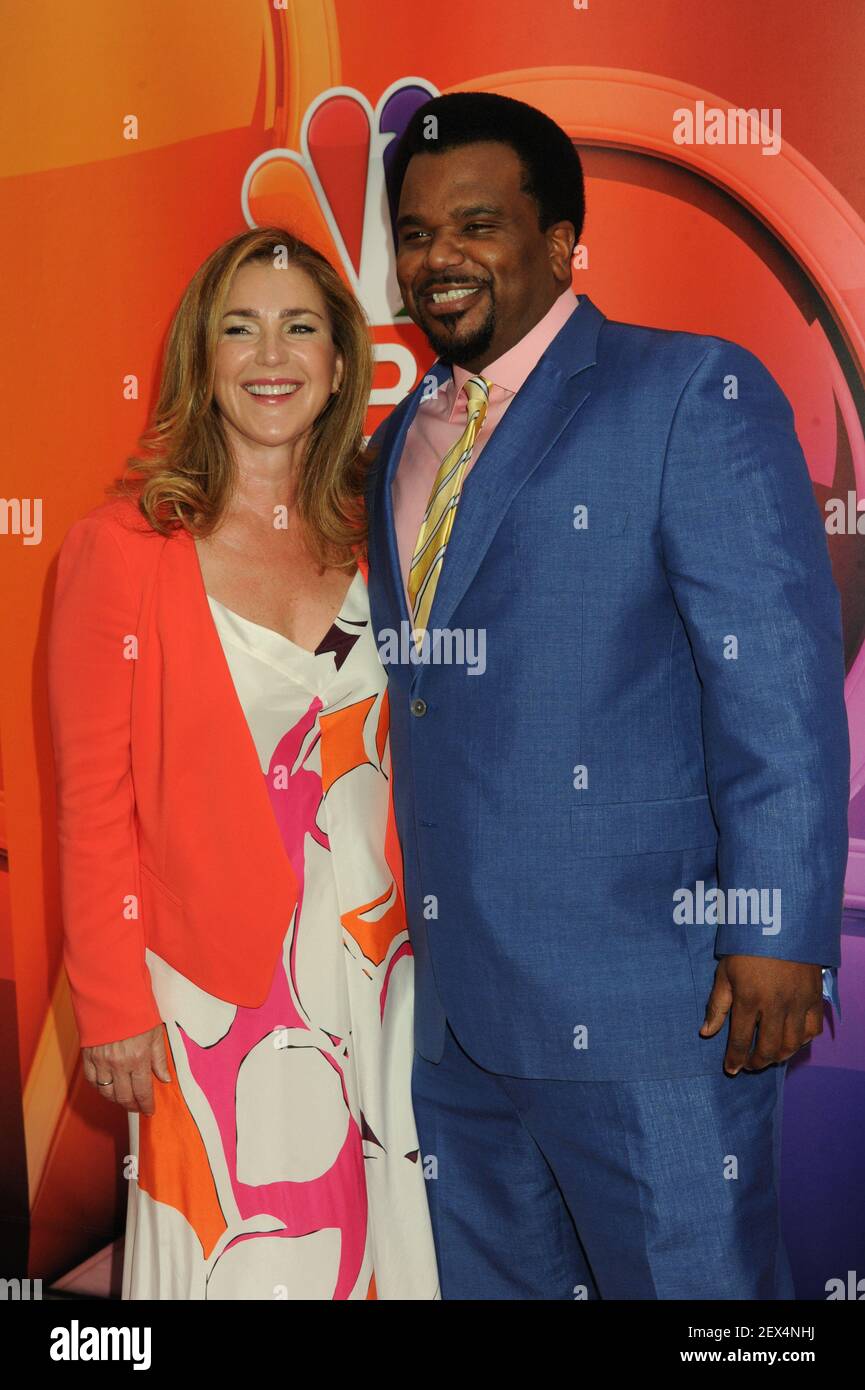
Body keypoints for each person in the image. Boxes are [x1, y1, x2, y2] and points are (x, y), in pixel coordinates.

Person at [365, 91, 850, 1300]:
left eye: (477, 223)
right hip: (457, 1016)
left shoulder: (687, 392)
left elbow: (776, 686)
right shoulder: (396, 440)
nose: (439, 258)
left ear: (563, 239)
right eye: (416, 232)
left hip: (655, 1003)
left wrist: (779, 933)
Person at [48, 226, 439, 1301]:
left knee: (390, 1260)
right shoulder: (121, 549)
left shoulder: (387, 535)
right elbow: (90, 803)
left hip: (388, 978)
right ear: (202, 358)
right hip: (208, 993)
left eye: (300, 325)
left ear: (340, 359)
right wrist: (115, 1004)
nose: (272, 354)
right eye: (240, 327)